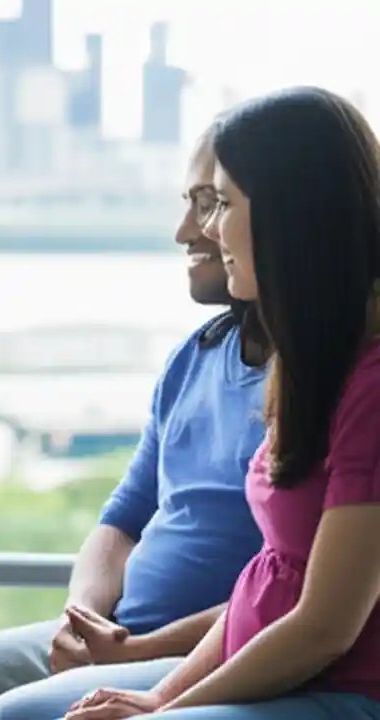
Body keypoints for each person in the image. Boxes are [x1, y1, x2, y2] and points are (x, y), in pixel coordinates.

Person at [0, 123, 270, 720]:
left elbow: (289, 590)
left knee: (14, 714)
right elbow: (122, 518)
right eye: (193, 204)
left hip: (209, 649)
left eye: (211, 204)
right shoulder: (193, 358)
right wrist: (85, 620)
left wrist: (136, 652)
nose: (185, 231)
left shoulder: (319, 383)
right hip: (122, 636)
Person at [59, 86, 380, 719]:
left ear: (287, 218)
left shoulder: (371, 389)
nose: (205, 228)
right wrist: (157, 696)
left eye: (223, 204)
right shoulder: (310, 366)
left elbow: (323, 628)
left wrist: (160, 712)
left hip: (338, 691)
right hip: (268, 675)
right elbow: (266, 581)